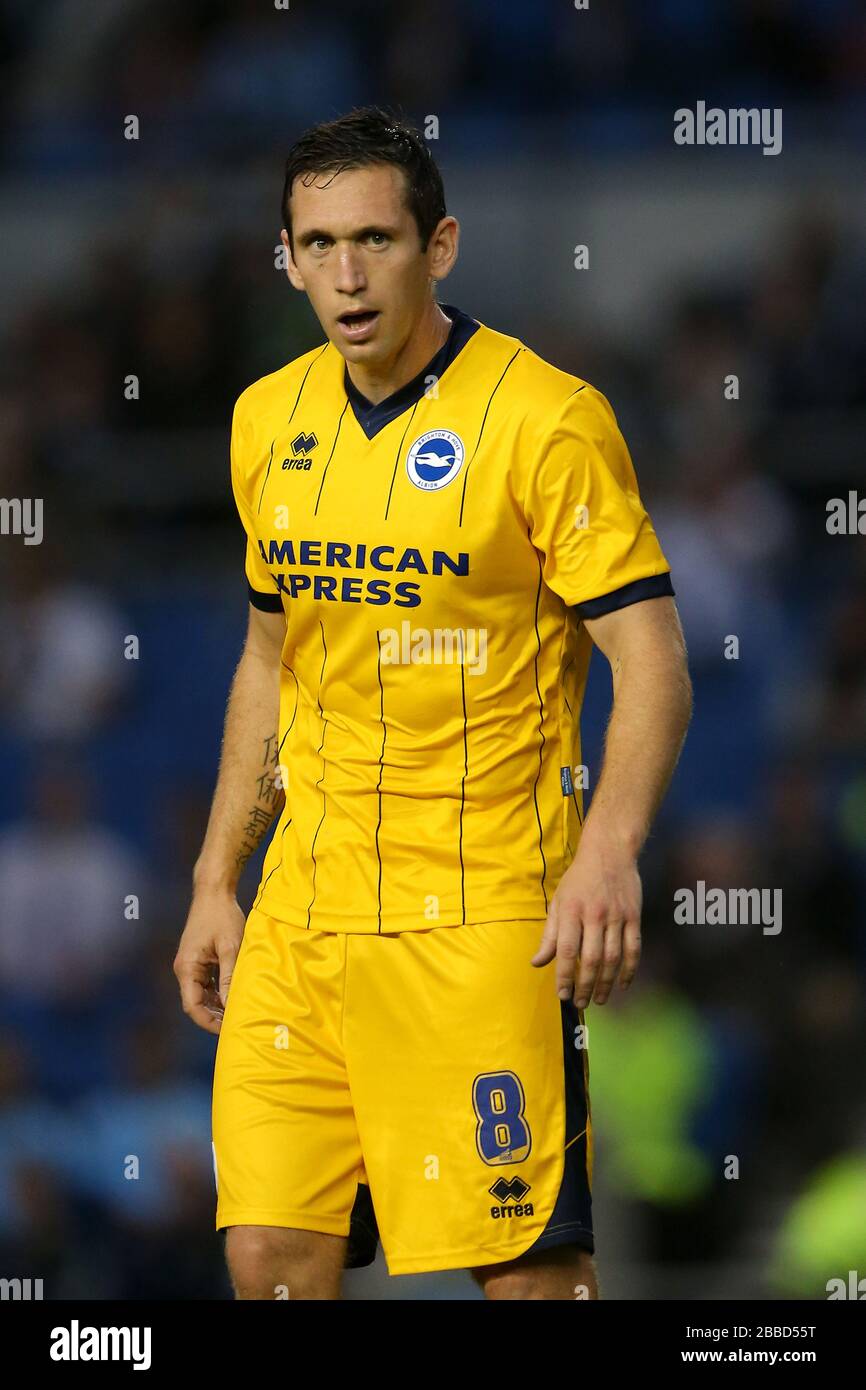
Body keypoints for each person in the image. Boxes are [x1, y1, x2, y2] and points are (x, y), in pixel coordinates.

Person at [174, 106, 692, 1301]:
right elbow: (270, 662)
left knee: (526, 1281)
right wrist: (214, 880)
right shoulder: (268, 420)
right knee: (267, 1260)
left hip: (476, 919)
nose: (346, 277)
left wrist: (608, 851)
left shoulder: (544, 419)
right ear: (288, 257)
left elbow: (652, 655)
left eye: (375, 240)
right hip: (303, 918)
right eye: (316, 245)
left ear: (438, 245)